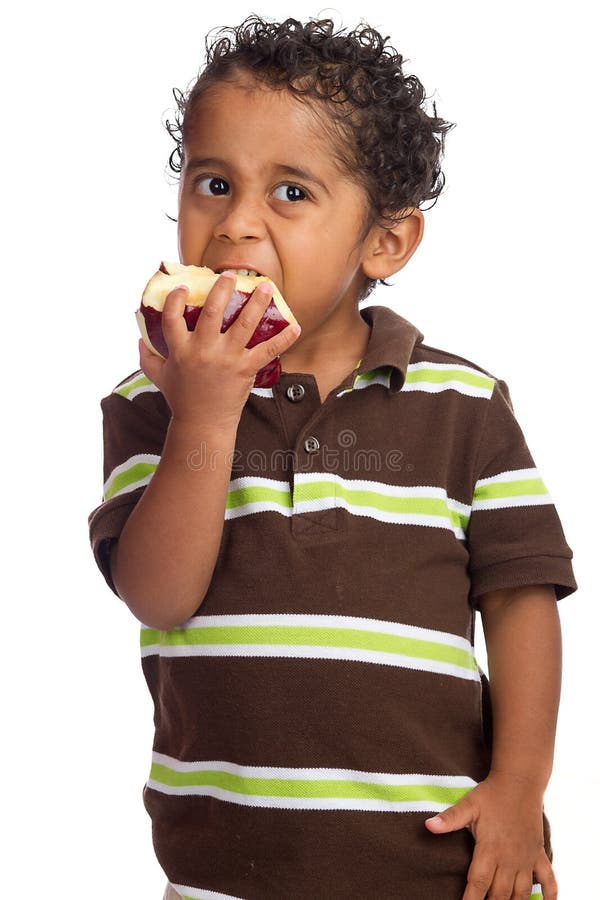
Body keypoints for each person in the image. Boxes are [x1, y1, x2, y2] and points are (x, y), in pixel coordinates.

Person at [88, 15, 577, 900]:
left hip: (436, 867)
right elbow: (157, 595)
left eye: (290, 195)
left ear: (382, 243)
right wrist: (204, 414)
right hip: (220, 876)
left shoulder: (464, 407)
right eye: (212, 182)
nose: (236, 226)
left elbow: (521, 604)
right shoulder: (152, 399)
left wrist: (521, 787)